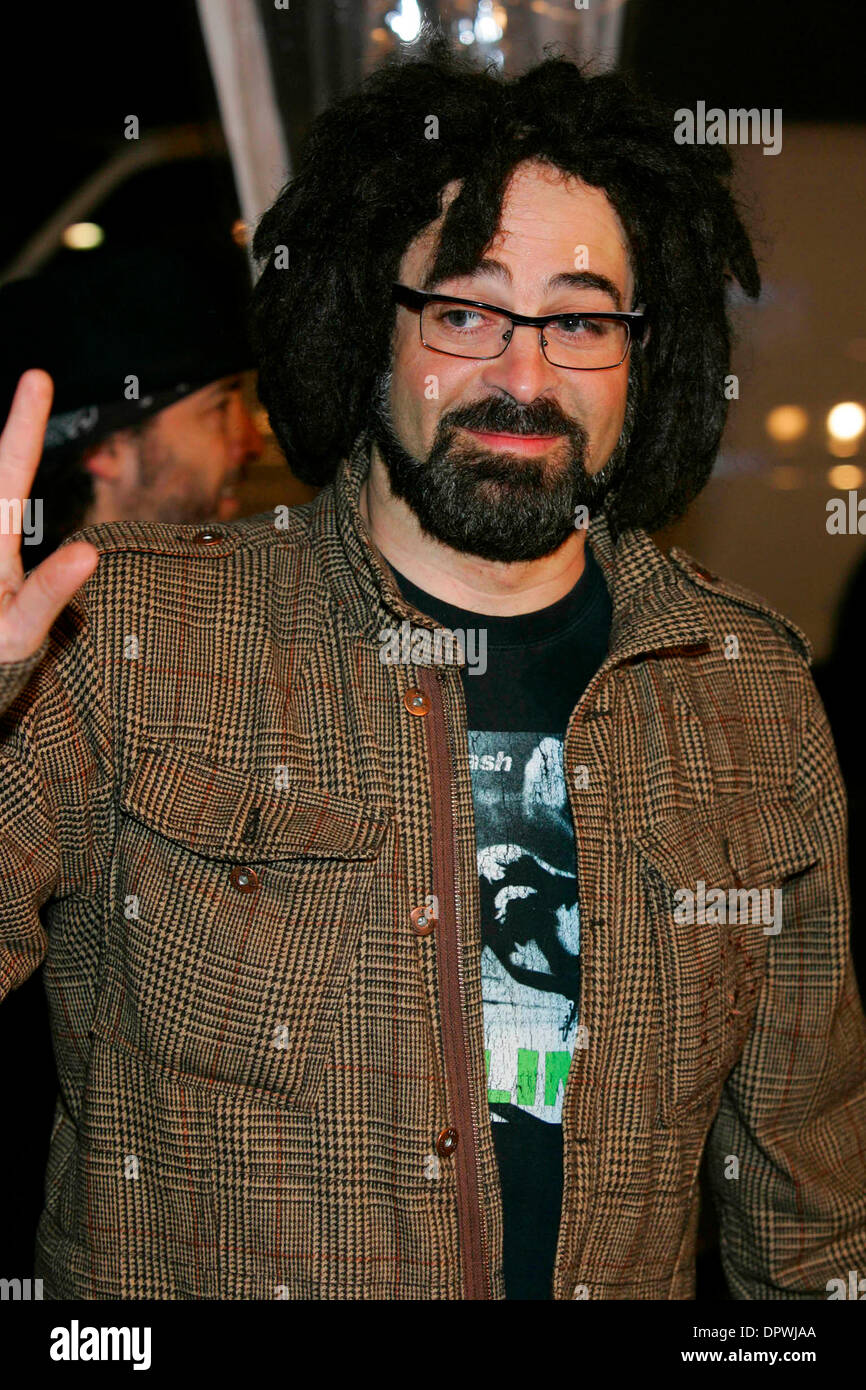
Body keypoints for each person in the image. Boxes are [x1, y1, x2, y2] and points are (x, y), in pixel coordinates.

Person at [1, 37, 865, 1301]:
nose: (522, 374)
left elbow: (813, 1228)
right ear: (369, 325)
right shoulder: (125, 641)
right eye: (462, 311)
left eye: (576, 320)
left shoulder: (748, 694)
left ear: (641, 356)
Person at [0, 238, 263, 1276]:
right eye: (215, 408)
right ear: (106, 445)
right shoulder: (37, 661)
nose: (249, 439)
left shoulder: (240, 640)